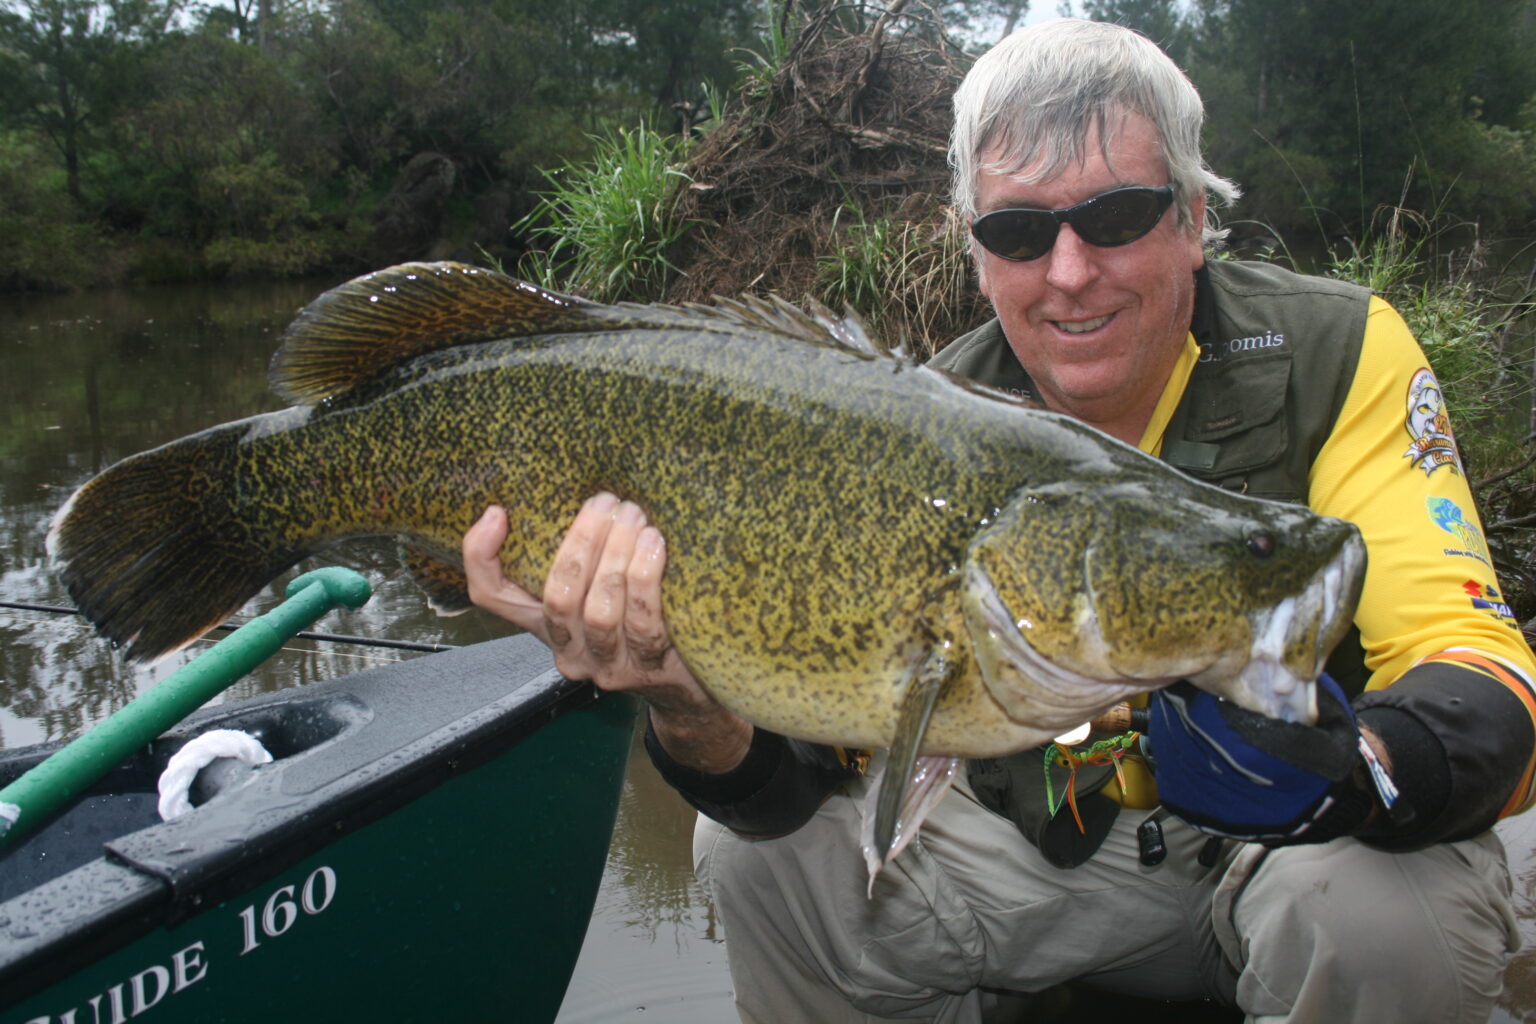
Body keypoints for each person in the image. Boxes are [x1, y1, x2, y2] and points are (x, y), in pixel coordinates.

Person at [462, 19, 1536, 1023]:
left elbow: (1479, 660)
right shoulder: (914, 425)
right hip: (1048, 859)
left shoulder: (1341, 353)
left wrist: (1366, 765)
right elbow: (793, 780)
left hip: (1291, 861)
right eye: (1020, 231)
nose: (1070, 272)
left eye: (1116, 217)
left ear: (1194, 217)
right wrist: (682, 701)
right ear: (975, 252)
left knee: (1379, 915)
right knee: (756, 863)